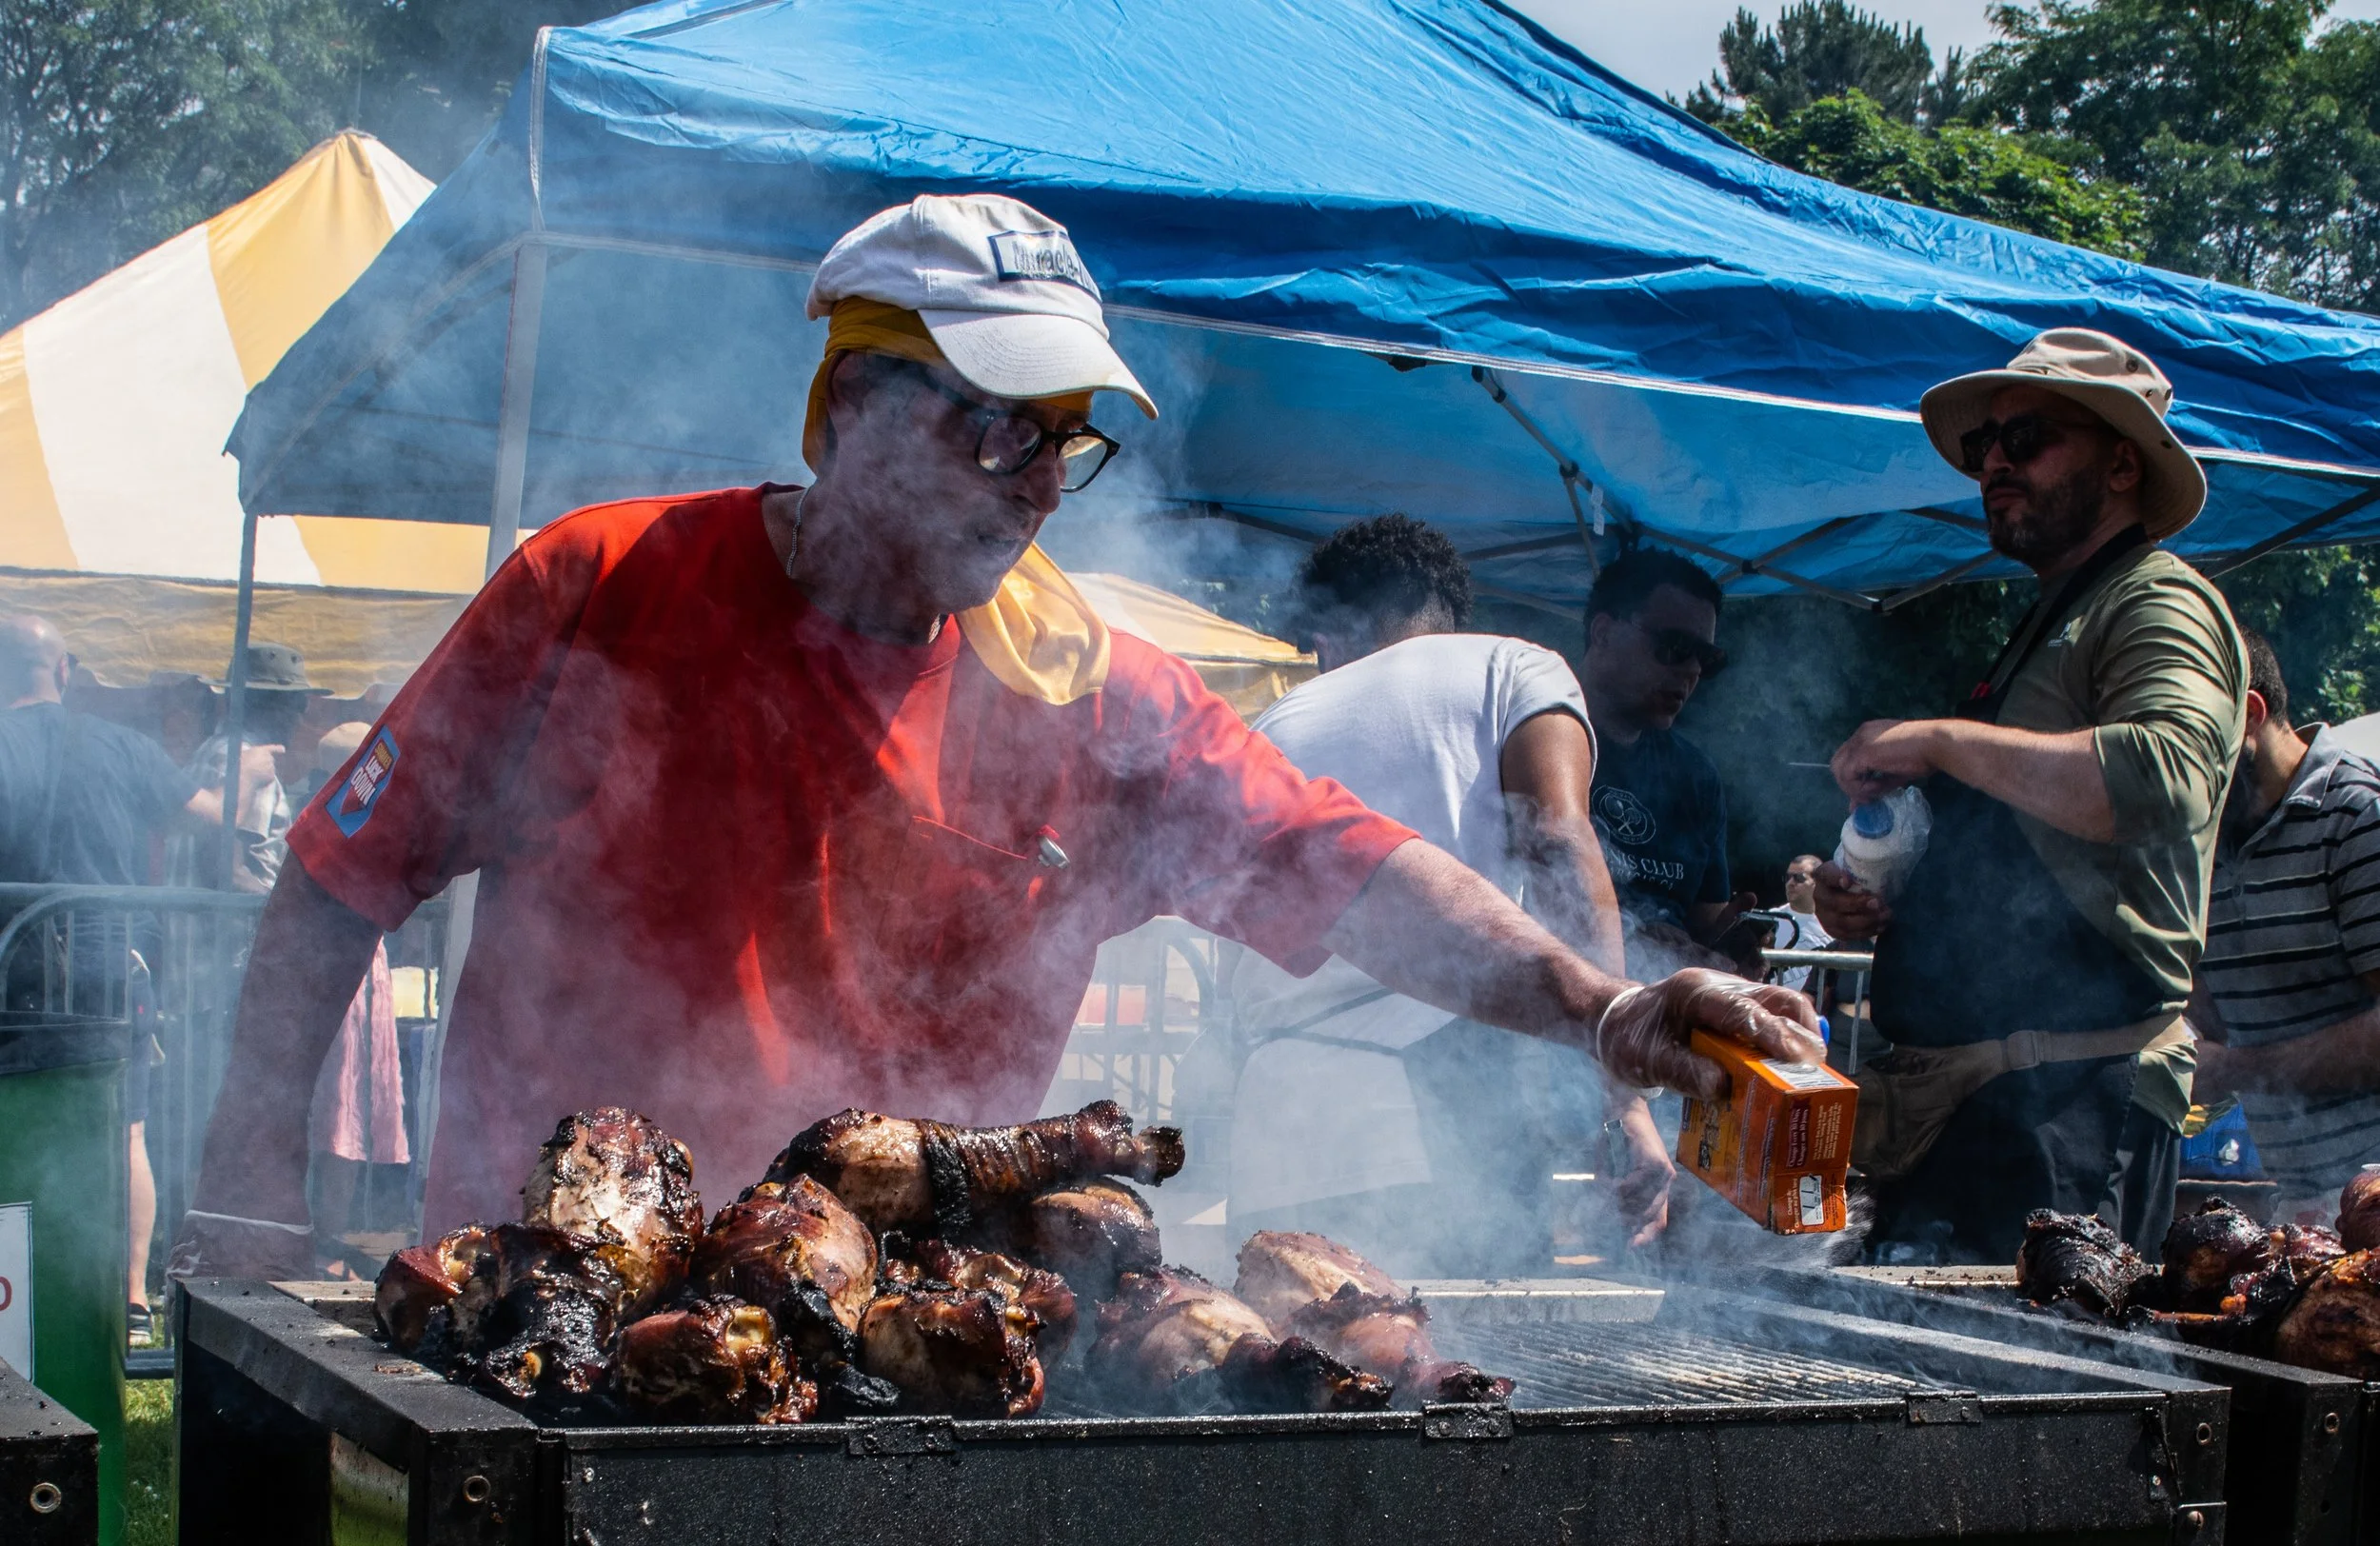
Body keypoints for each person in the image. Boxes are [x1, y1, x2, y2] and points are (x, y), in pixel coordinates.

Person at [174, 193, 1820, 1278]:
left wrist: (1604, 1009)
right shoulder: (598, 583)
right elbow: (339, 877)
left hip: (909, 1338)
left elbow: (1349, 867)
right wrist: (249, 1186)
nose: (1035, 482)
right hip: (563, 1293)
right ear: (847, 408)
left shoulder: (1092, 691)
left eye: (1061, 443)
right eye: (990, 427)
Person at [1815, 328, 2246, 1263]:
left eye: (2026, 438)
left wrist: (1938, 738)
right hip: (1985, 1115)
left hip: (2070, 1114)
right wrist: (1883, 899)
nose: (1993, 463)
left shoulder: (2155, 599)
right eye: (1985, 444)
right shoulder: (2056, 614)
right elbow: (2022, 853)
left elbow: (2164, 776)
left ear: (2122, 465)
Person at [1224, 514, 1672, 1276]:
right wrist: (1624, 1092)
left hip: (1273, 1123)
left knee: (1285, 1340)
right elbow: (1559, 842)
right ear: (1450, 614)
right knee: (1467, 1348)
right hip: (1441, 1097)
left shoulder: (1260, 730)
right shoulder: (1512, 666)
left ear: (1328, 635)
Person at [0, 615, 276, 1337]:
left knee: (14, 1118)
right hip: (113, 965)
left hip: (12, 969)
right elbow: (215, 818)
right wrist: (248, 775)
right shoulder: (122, 746)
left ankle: (24, 1287)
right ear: (66, 671)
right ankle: (130, 1300)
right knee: (125, 1133)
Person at [2191, 631, 2380, 1221]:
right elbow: (2227, 1014)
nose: (2175, 762)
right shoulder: (2207, 838)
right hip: (2299, 1198)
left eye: (2188, 735)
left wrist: (2231, 1069)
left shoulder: (2358, 816)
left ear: (2249, 713)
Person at [1580, 548, 1754, 975]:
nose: (1691, 671)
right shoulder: (1532, 733)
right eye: (1675, 647)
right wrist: (1633, 936)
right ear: (1603, 633)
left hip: (1663, 1004)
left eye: (1705, 659)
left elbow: (1703, 923)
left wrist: (1725, 943)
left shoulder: (1696, 776)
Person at [170, 643, 327, 894]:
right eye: (298, 704)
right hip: (231, 920)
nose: (300, 718)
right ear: (272, 706)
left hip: (189, 917)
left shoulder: (209, 751)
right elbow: (227, 873)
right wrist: (282, 906)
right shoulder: (253, 765)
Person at [1771, 854, 1835, 994]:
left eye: (1799, 878)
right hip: (1770, 1003)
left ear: (1818, 883)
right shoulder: (1771, 920)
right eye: (1788, 877)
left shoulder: (1834, 924)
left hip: (1813, 1004)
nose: (1790, 883)